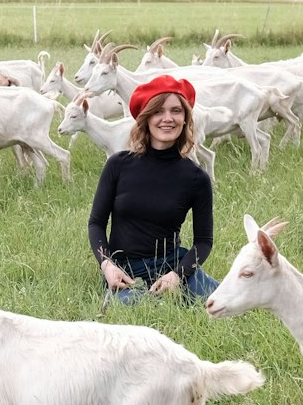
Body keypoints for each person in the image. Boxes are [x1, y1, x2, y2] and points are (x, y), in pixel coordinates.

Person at [87, 75, 218, 305]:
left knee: (225, 304)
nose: (167, 119)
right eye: (158, 111)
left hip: (173, 266)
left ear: (185, 118)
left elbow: (203, 241)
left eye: (176, 111)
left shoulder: (197, 178)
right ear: (146, 118)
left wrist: (178, 275)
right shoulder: (118, 165)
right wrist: (107, 265)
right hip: (124, 271)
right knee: (136, 313)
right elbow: (96, 223)